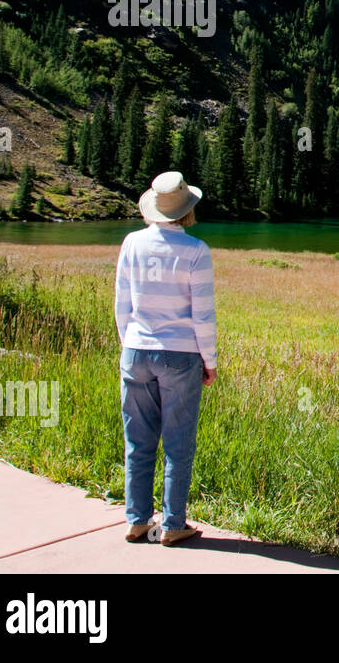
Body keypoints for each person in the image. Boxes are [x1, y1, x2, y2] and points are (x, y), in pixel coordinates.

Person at [114, 171, 217, 546]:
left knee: (137, 441)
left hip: (136, 351)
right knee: (178, 443)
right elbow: (202, 315)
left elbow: (122, 303)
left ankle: (137, 520)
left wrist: (131, 345)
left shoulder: (131, 243)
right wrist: (210, 361)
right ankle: (173, 524)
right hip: (180, 356)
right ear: (187, 210)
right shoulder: (196, 251)